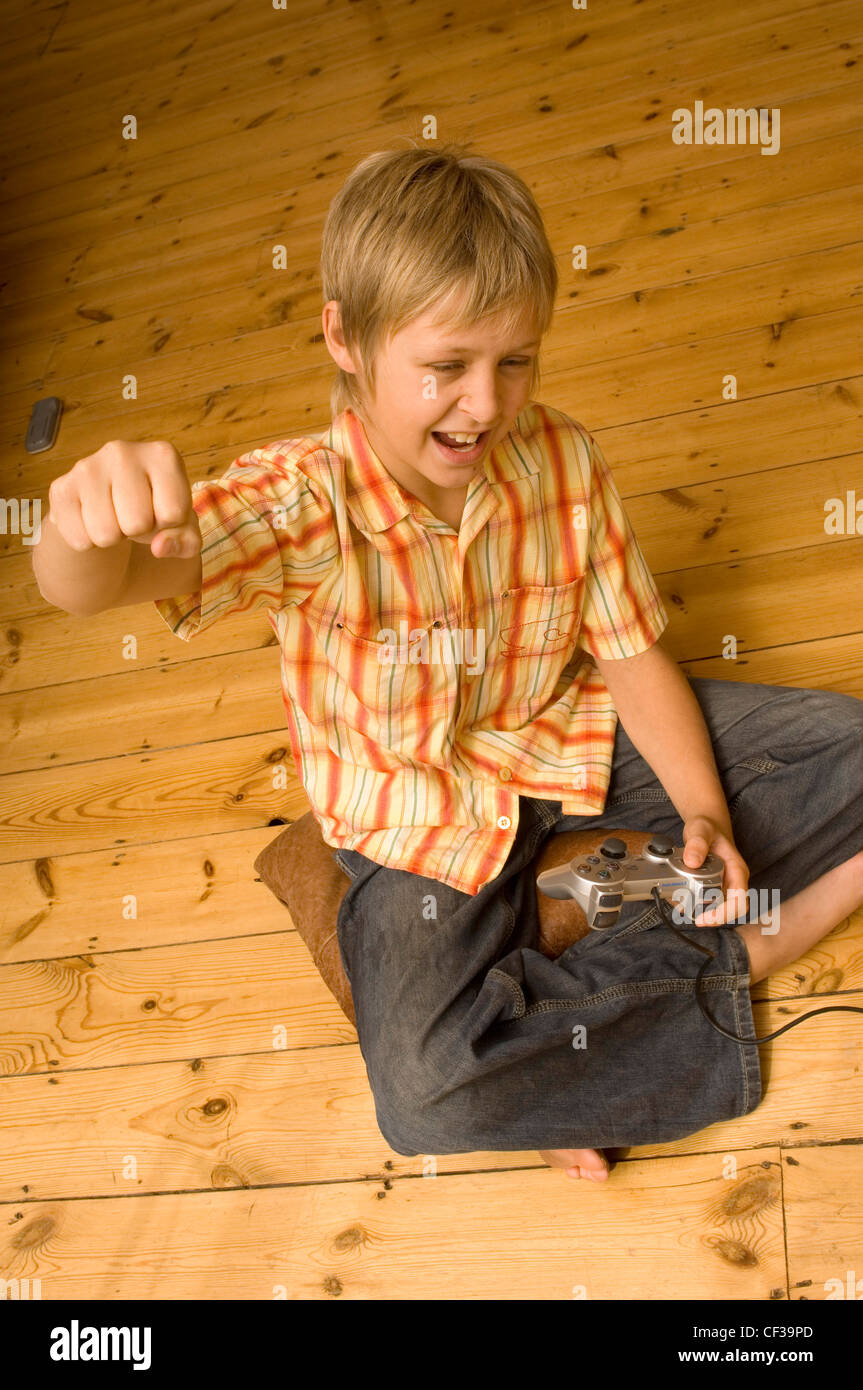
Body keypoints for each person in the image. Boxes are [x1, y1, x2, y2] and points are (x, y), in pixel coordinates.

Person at [32, 143, 863, 1185]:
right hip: (412, 826)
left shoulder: (560, 459)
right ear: (345, 338)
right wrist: (79, 530)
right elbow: (98, 581)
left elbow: (631, 651)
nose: (484, 404)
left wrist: (701, 809)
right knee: (422, 1089)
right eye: (446, 367)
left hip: (560, 740)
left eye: (515, 361)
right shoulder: (299, 501)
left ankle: (571, 1036)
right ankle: (738, 955)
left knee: (850, 755)